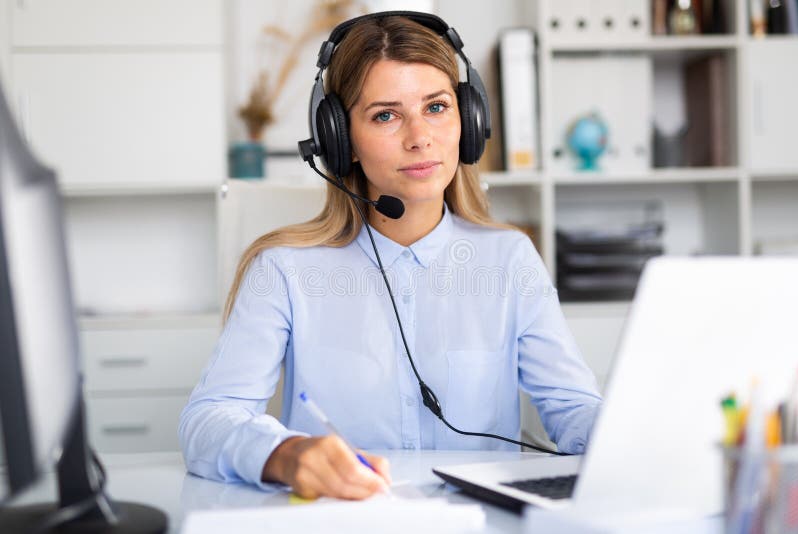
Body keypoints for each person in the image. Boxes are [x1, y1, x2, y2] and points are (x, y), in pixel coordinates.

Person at [179, 13, 602, 501]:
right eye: (386, 114)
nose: (419, 136)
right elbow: (208, 421)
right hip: (341, 519)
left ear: (469, 121)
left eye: (437, 107)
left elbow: (572, 408)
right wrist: (287, 455)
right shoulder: (284, 268)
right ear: (340, 141)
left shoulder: (509, 259)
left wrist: (635, 430)